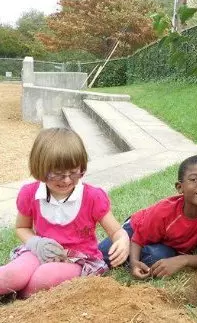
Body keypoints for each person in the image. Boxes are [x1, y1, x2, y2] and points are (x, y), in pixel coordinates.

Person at [0, 128, 129, 299]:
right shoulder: (30, 194)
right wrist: (36, 243)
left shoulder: (92, 197)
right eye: (58, 175)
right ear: (40, 168)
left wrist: (123, 240)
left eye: (74, 173)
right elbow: (22, 227)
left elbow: (116, 232)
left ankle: (19, 295)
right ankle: (15, 289)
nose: (67, 180)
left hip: (78, 260)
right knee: (10, 275)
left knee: (42, 278)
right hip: (43, 251)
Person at [99, 155, 197, 279]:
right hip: (136, 230)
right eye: (194, 179)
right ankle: (127, 257)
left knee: (157, 257)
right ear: (180, 187)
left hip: (167, 244)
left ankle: (130, 258)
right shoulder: (164, 211)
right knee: (102, 255)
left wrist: (183, 260)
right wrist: (134, 262)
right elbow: (138, 237)